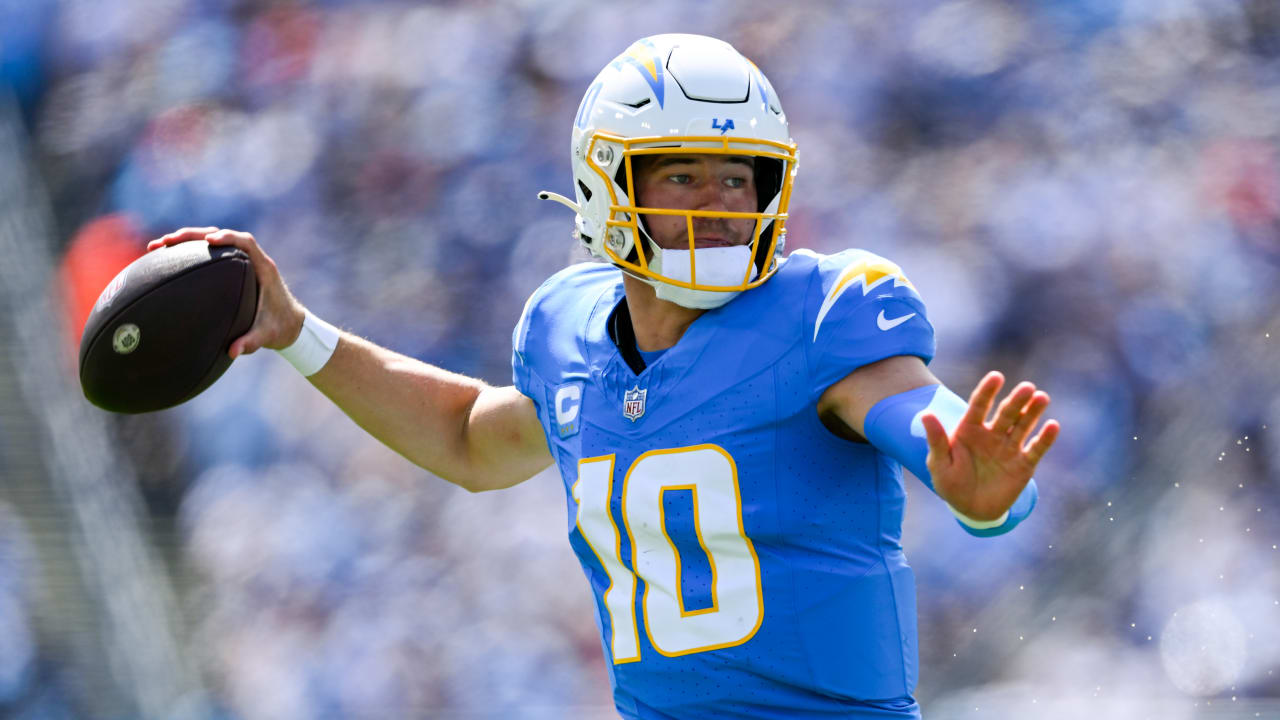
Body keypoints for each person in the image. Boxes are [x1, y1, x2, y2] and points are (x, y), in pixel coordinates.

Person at [150, 33, 1058, 720]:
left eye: (740, 181)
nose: (720, 206)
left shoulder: (822, 314)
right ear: (607, 186)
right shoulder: (568, 328)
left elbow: (925, 423)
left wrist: (981, 493)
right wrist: (298, 332)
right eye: (685, 178)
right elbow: (470, 439)